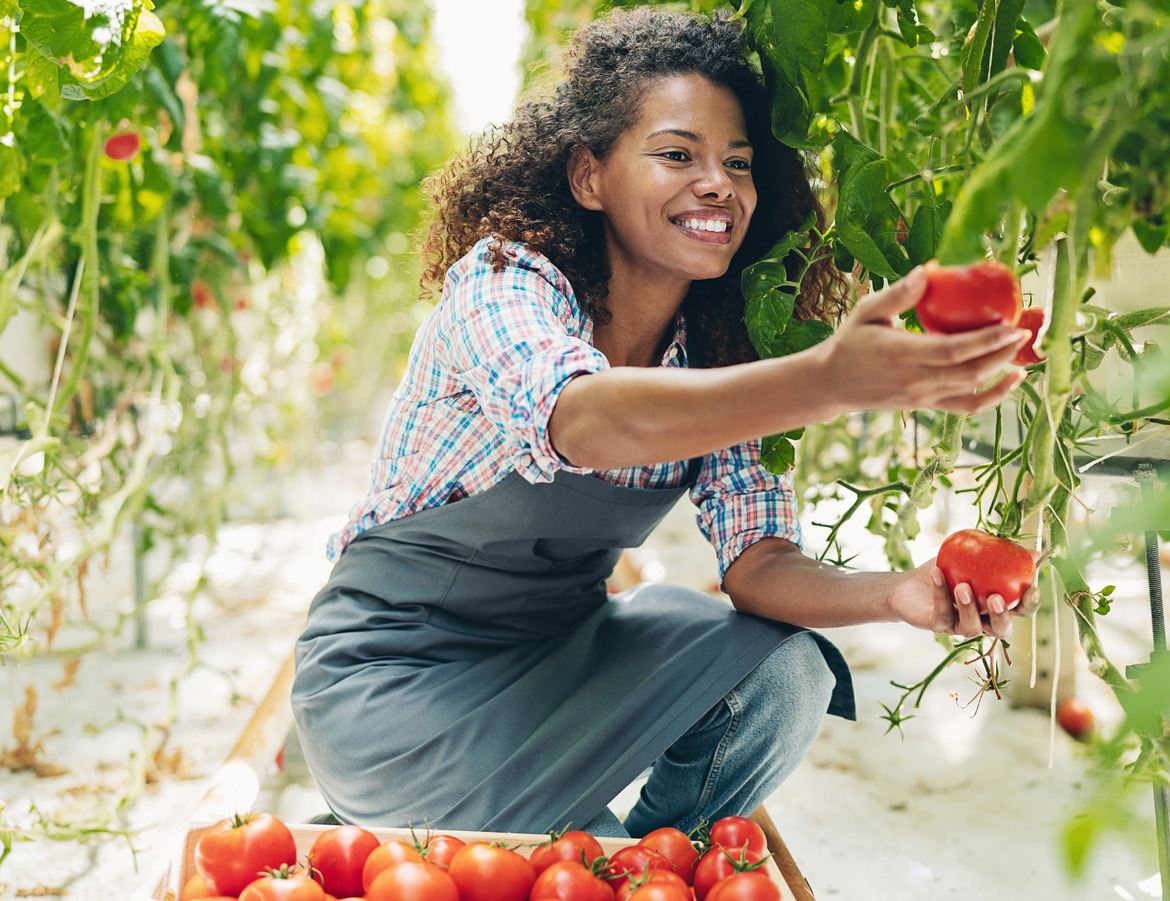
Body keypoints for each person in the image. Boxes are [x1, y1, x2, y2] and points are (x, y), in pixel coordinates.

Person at [290, 8, 1032, 840]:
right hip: (391, 678)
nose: (719, 183)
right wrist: (826, 381)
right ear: (588, 176)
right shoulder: (503, 284)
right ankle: (528, 837)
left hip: (559, 660)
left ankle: (646, 859)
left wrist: (894, 594)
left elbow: (759, 563)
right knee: (551, 854)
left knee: (785, 670)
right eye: (677, 154)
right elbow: (586, 420)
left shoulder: (718, 352)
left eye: (739, 163)